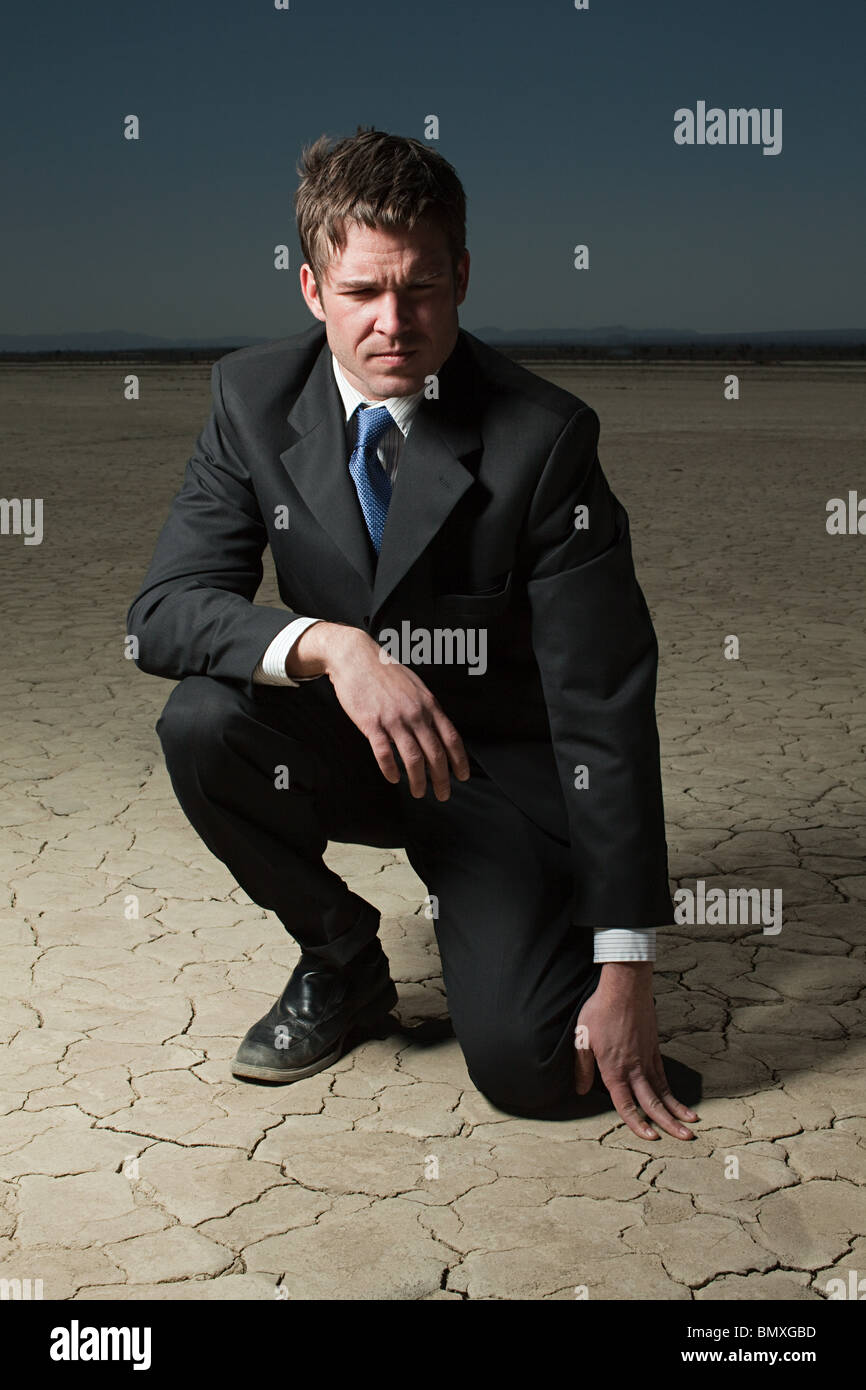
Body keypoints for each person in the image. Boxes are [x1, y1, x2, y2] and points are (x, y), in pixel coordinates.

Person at [127, 128, 698, 1140]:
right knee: (201, 722)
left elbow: (603, 702)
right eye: (361, 292)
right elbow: (164, 610)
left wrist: (626, 969)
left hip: (496, 780)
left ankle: (527, 943)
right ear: (312, 290)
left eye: (421, 287)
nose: (393, 323)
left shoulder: (545, 438)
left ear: (461, 276)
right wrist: (335, 647)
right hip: (348, 745)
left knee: (533, 1071)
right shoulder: (251, 400)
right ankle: (342, 961)